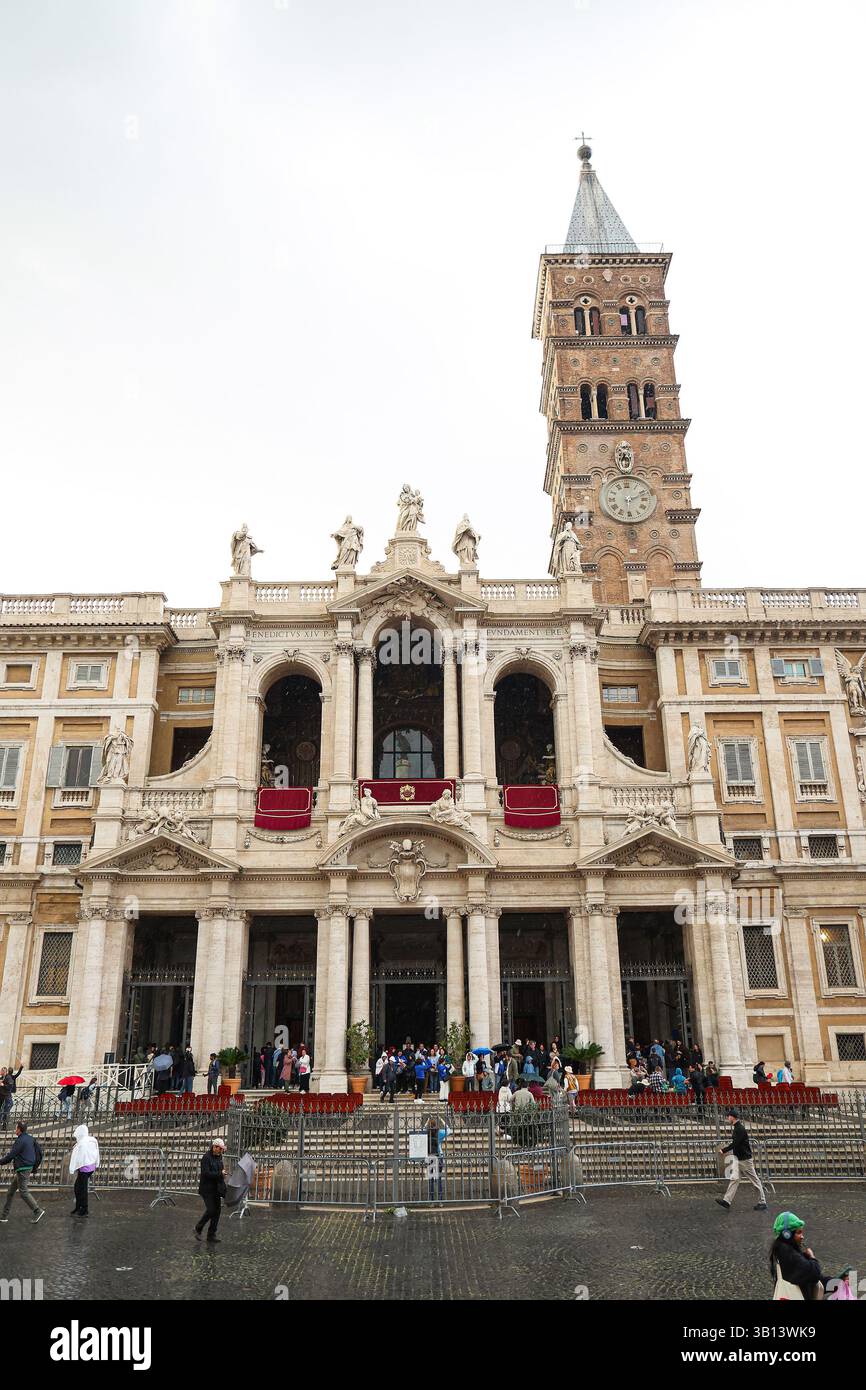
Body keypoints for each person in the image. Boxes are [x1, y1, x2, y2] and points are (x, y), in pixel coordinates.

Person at [716, 1108, 767, 1211]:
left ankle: (762, 1202)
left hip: (745, 1160)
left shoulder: (739, 1129)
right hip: (739, 1159)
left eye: (728, 1116)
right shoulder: (737, 1128)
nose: (727, 1118)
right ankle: (727, 1201)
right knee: (734, 1179)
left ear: (732, 1117)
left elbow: (736, 1143)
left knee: (755, 1181)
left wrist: (724, 1150)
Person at [769, 1212, 825, 1300]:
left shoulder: (785, 1251)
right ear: (787, 1234)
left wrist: (837, 1280)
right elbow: (813, 1273)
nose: (802, 1236)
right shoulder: (787, 1254)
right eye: (799, 1233)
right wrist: (812, 1257)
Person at [0, 1122, 44, 1225]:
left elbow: (10, 1156)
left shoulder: (20, 1141)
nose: (15, 1130)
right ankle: (4, 1216)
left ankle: (38, 1210)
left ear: (19, 1129)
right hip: (26, 1167)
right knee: (10, 1192)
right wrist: (34, 1166)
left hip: (23, 1168)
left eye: (16, 1128)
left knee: (23, 1191)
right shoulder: (30, 1138)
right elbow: (38, 1153)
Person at [194, 1137, 226, 1243]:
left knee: (217, 1212)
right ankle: (198, 1228)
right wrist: (219, 1174)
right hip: (206, 1189)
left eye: (222, 1149)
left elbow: (220, 1172)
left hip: (216, 1189)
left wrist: (222, 1175)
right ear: (214, 1147)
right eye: (220, 1149)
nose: (221, 1151)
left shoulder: (219, 1157)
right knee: (211, 1210)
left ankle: (211, 1235)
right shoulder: (206, 1158)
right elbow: (206, 1173)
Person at [69, 1123, 100, 1217]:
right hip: (91, 1167)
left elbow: (75, 1158)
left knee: (81, 1188)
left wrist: (72, 1169)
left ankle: (84, 1208)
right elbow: (96, 1152)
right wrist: (97, 1162)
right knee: (79, 1187)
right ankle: (79, 1206)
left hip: (84, 1168)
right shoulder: (92, 1140)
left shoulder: (81, 1144)